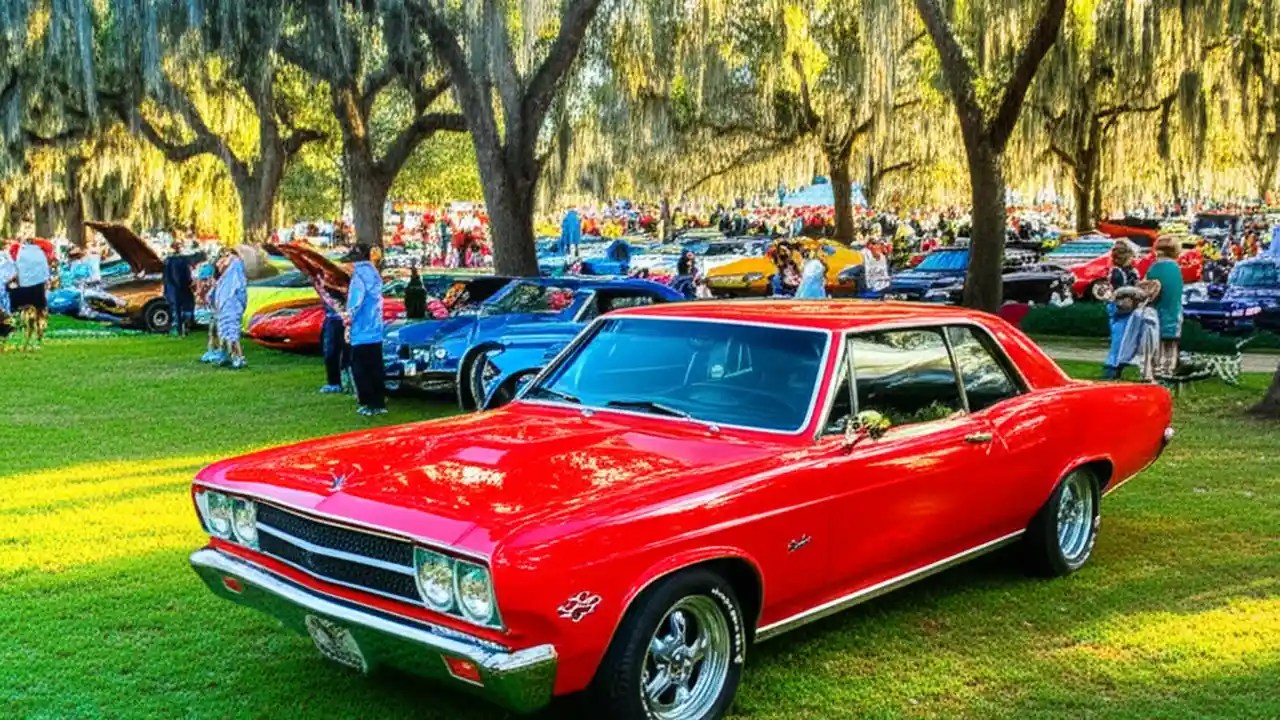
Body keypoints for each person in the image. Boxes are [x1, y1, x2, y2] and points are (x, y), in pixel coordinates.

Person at [344, 244, 387, 416]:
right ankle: (379, 401)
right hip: (375, 328)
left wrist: (348, 317)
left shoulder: (358, 276)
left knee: (360, 368)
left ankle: (367, 402)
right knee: (376, 367)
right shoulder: (374, 273)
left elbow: (356, 299)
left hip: (361, 329)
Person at [1145, 235, 1185, 377]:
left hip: (1155, 314)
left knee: (1157, 344)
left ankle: (1155, 370)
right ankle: (1168, 370)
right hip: (1173, 313)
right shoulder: (1175, 269)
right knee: (1170, 344)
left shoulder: (1153, 269)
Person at [11, 235, 52, 348]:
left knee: (26, 314)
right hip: (38, 289)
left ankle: (26, 335)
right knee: (40, 313)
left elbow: (17, 270)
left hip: (24, 288)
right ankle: (39, 335)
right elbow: (45, 272)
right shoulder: (40, 255)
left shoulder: (20, 254)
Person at [212, 250, 248, 369]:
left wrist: (230, 256)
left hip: (231, 306)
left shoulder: (234, 275)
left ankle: (238, 357)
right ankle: (225, 355)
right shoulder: (224, 280)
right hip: (224, 308)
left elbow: (234, 260)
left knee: (231, 333)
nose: (220, 263)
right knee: (223, 331)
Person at [315, 276, 349, 394]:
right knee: (331, 351)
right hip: (332, 318)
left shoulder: (340, 281)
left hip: (342, 319)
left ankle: (342, 381)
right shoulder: (319, 280)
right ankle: (336, 381)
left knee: (341, 351)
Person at [163, 240, 195, 337]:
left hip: (173, 287)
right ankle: (184, 326)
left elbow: (166, 276)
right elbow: (187, 274)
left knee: (176, 308)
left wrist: (166, 288)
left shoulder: (169, 260)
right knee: (185, 307)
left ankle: (179, 329)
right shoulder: (183, 260)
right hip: (183, 287)